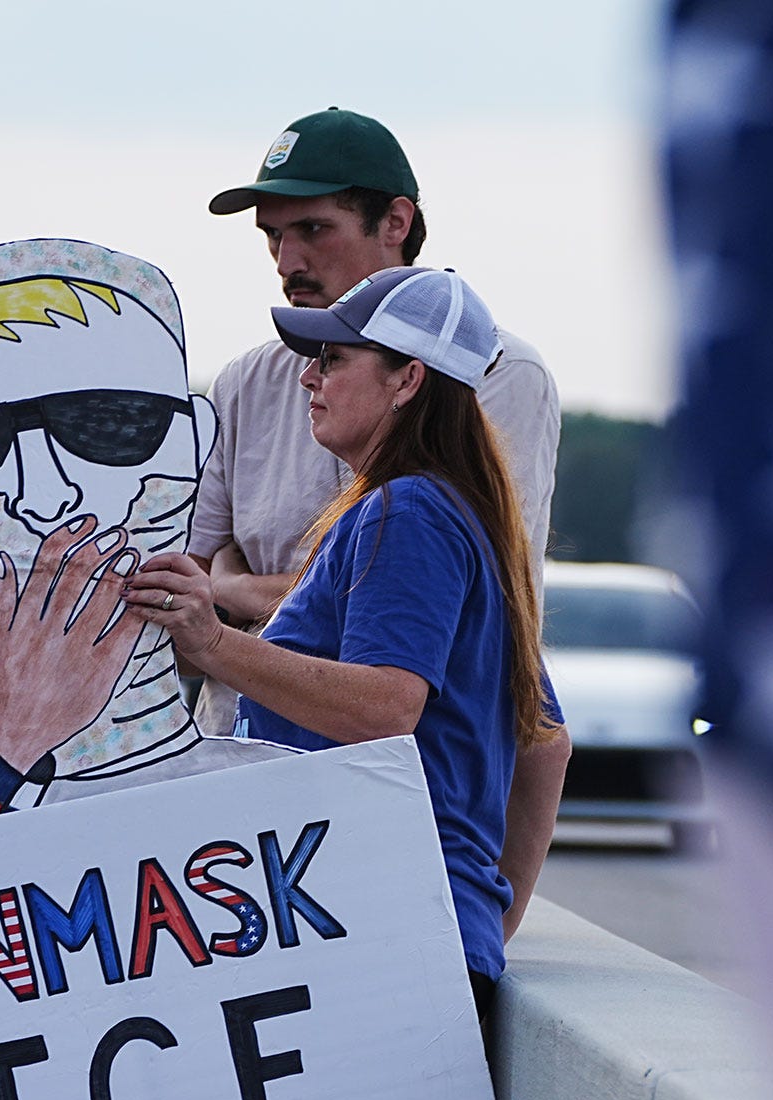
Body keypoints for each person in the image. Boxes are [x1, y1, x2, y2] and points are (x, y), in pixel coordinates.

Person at [130, 267, 563, 1100]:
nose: (307, 375)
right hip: (386, 942)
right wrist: (479, 914)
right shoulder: (454, 514)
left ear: (408, 379)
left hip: (374, 948)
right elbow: (547, 739)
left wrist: (213, 642)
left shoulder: (409, 512)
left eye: (332, 357)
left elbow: (385, 706)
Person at [0, 239, 292, 834]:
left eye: (107, 424)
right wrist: (4, 731)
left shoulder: (284, 807)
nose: (45, 496)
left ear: (195, 444)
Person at [192, 107, 562, 735]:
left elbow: (456, 601)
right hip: (236, 770)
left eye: (313, 228)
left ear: (396, 221)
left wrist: (234, 593)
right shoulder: (242, 381)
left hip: (401, 778)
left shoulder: (493, 368)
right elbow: (181, 593)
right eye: (272, 236)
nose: (286, 260)